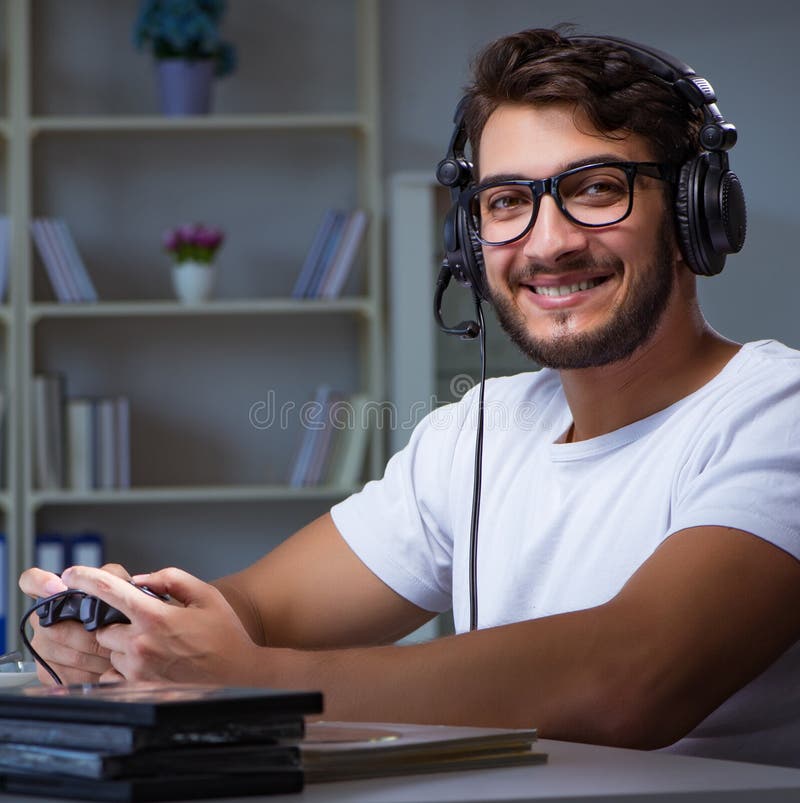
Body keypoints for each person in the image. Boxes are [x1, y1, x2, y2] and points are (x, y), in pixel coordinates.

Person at [20, 28, 800, 767]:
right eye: (506, 202)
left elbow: (632, 677)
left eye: (596, 189)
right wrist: (124, 627)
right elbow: (251, 612)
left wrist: (252, 678)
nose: (548, 240)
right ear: (470, 242)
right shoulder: (475, 432)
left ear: (696, 214)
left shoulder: (776, 413)